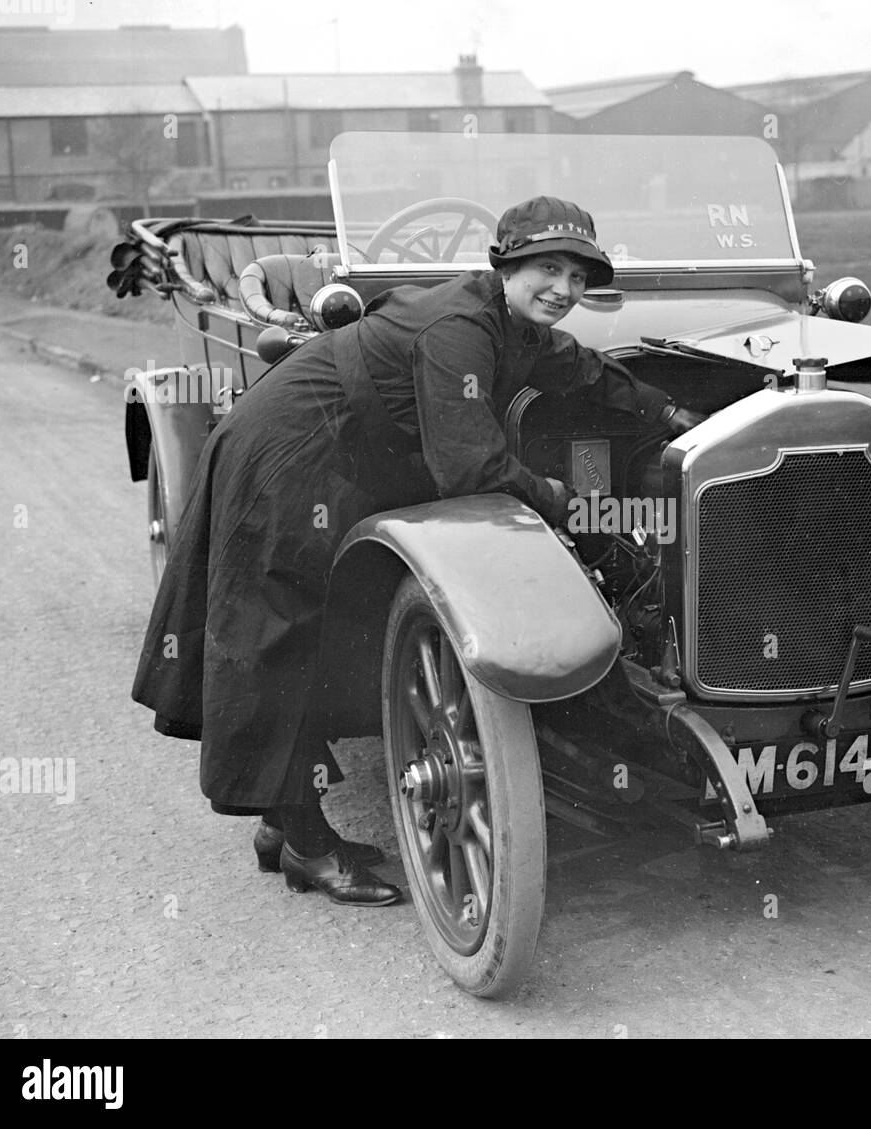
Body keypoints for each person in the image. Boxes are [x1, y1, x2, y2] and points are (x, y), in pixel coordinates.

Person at [131, 196, 702, 906]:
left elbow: (583, 371)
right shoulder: (461, 327)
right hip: (292, 452)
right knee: (280, 632)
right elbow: (473, 470)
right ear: (507, 266)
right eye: (548, 269)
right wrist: (566, 504)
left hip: (338, 451)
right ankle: (304, 843)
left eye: (580, 276)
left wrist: (676, 417)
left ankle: (283, 826)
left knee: (310, 629)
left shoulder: (513, 322)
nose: (564, 288)